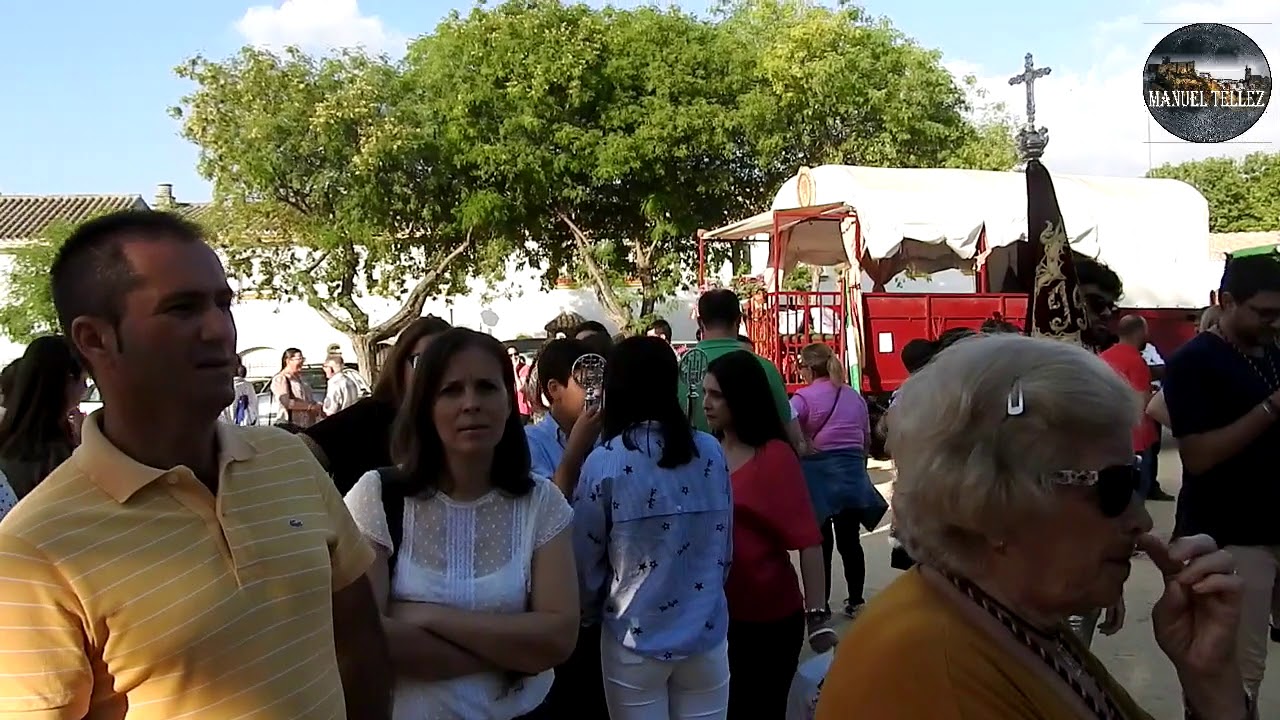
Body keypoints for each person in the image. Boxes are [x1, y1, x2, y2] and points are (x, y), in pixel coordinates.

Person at [0, 210, 392, 718]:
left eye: (222, 303)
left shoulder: (289, 460)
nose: (218, 329)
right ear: (95, 339)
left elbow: (360, 647)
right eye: (181, 309)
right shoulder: (35, 550)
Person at [817, 333, 1255, 720]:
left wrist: (1211, 683)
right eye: (1116, 487)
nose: (1140, 519)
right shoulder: (929, 668)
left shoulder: (1007, 616)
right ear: (990, 504)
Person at [344, 328, 578, 719]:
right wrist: (513, 653)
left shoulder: (542, 503)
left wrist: (424, 615)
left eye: (487, 387)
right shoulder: (378, 497)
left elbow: (558, 638)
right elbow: (365, 638)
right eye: (451, 390)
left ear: (508, 402)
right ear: (425, 406)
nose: (471, 403)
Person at [573, 336, 733, 719]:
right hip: (706, 634)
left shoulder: (603, 463)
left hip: (633, 638)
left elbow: (585, 561)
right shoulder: (709, 450)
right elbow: (724, 548)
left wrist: (591, 612)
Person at [1163, 253, 1280, 699]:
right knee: (1238, 672)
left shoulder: (1273, 352)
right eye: (1264, 313)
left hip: (1272, 524)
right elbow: (1199, 457)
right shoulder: (1195, 362)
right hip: (1230, 535)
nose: (1274, 323)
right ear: (1226, 301)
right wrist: (1271, 407)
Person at [703, 350, 833, 718]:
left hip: (768, 618)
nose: (706, 404)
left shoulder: (774, 456)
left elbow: (808, 540)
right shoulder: (705, 451)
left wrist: (817, 614)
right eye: (705, 394)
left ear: (741, 397)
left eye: (716, 395)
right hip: (713, 615)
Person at [303, 315, 452, 494]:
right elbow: (293, 460)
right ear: (400, 365)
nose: (433, 372)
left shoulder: (466, 423)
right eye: (422, 362)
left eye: (445, 364)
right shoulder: (366, 417)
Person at [790, 342, 883, 618]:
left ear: (807, 369)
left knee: (821, 545)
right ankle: (856, 600)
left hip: (817, 477)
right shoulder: (853, 396)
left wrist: (804, 447)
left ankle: (822, 605)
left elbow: (789, 433)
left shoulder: (801, 398)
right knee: (850, 542)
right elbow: (865, 438)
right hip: (850, 474)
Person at [690, 289, 804, 451]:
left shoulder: (679, 370)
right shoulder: (765, 368)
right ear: (739, 321)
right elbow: (791, 434)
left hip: (693, 470)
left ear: (700, 323)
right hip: (755, 467)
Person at [0, 335, 85, 499]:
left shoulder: (9, 438)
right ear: (68, 380)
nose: (85, 388)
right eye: (84, 379)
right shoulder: (57, 456)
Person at [1099, 316, 1159, 498]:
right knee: (1137, 493)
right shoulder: (1136, 361)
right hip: (1137, 439)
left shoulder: (1102, 358)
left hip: (1109, 436)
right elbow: (1143, 403)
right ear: (1139, 332)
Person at [272, 347, 323, 427]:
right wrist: (310, 407)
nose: (302, 362)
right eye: (299, 359)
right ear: (288, 361)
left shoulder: (300, 379)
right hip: (291, 427)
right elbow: (286, 402)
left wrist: (317, 406)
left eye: (303, 359)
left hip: (306, 425)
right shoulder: (281, 379)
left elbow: (307, 399)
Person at [220, 361, 258, 426]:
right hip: (245, 425)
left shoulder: (225, 386)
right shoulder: (248, 386)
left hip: (228, 425)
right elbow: (253, 405)